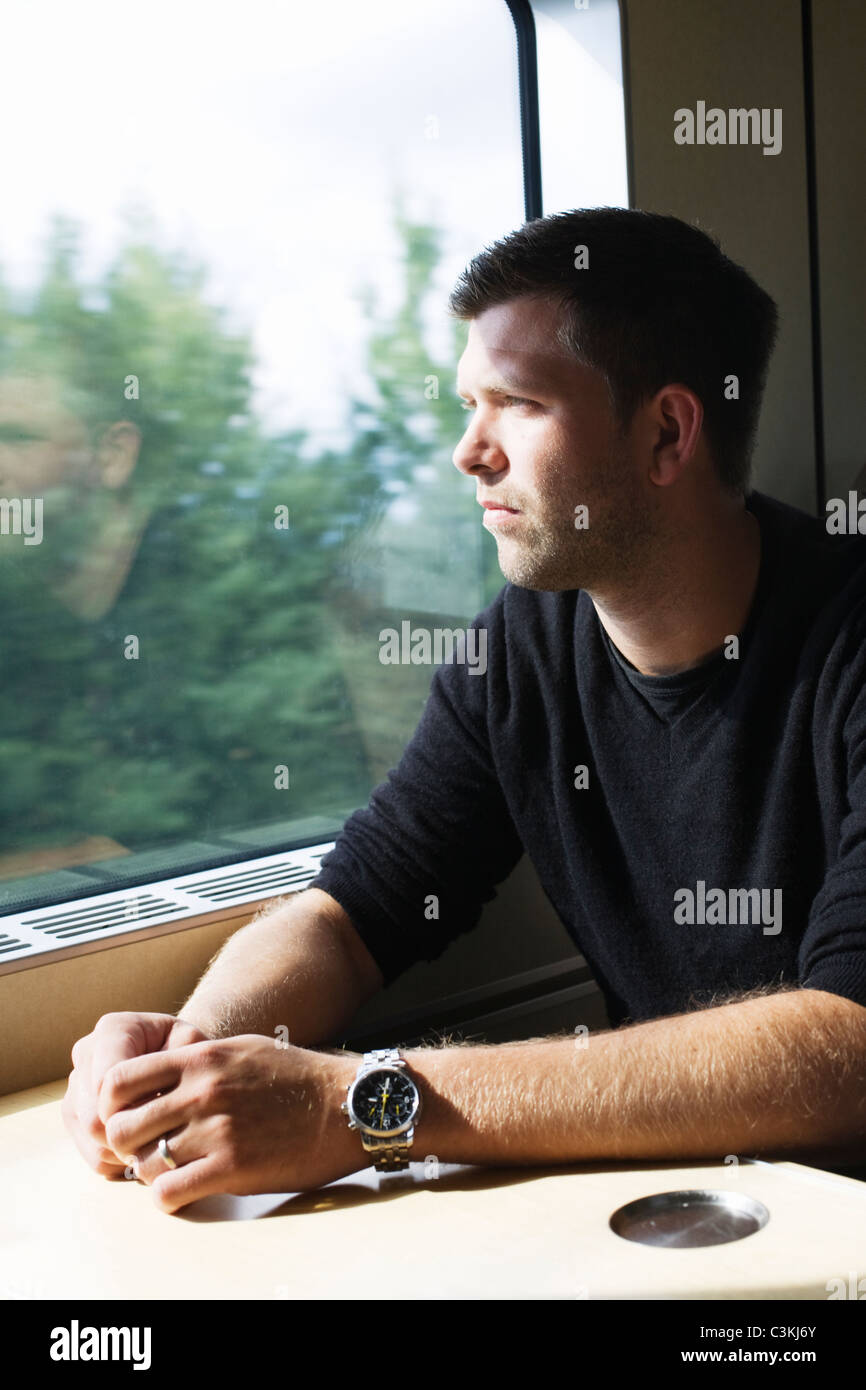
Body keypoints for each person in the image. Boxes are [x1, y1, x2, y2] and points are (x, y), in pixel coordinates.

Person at [62, 209, 866, 1214]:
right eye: (465, 404)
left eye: (515, 404)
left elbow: (846, 1048)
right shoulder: (522, 646)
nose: (466, 451)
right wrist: (188, 1054)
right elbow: (355, 911)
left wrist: (359, 1106)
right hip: (688, 1214)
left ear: (664, 432)